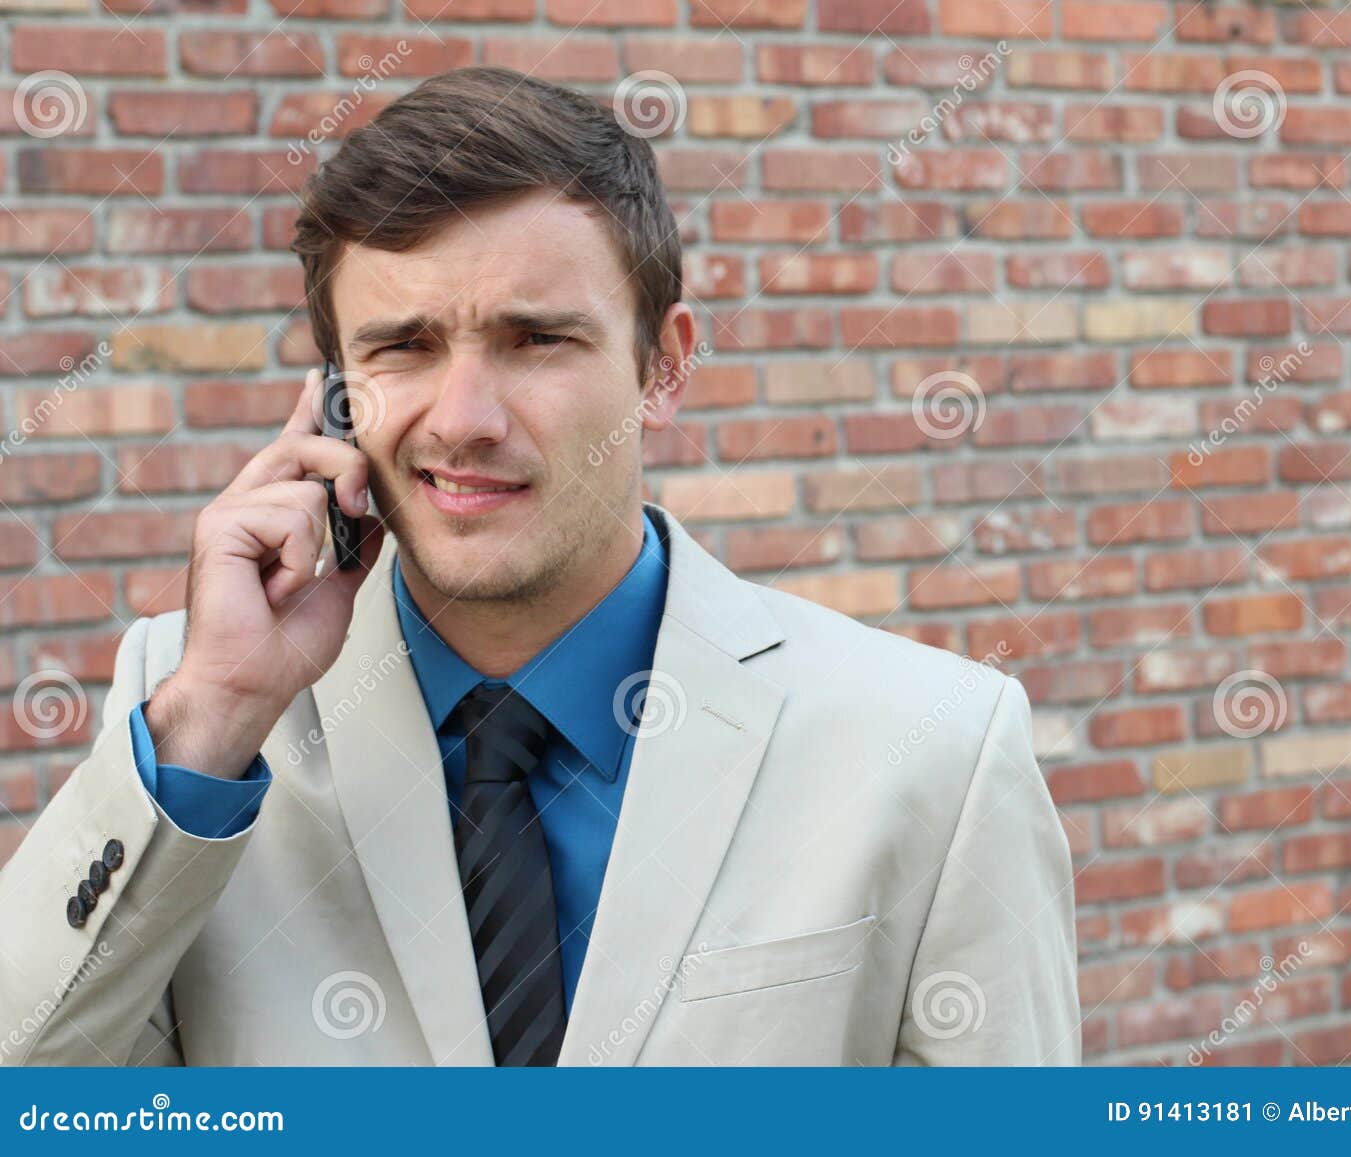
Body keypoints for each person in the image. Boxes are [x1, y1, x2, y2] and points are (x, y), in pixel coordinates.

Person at [0, 67, 1079, 1066]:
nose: (463, 422)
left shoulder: (935, 746)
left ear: (663, 365)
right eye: (402, 347)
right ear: (335, 394)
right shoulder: (195, 725)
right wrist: (214, 714)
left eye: (536, 340)